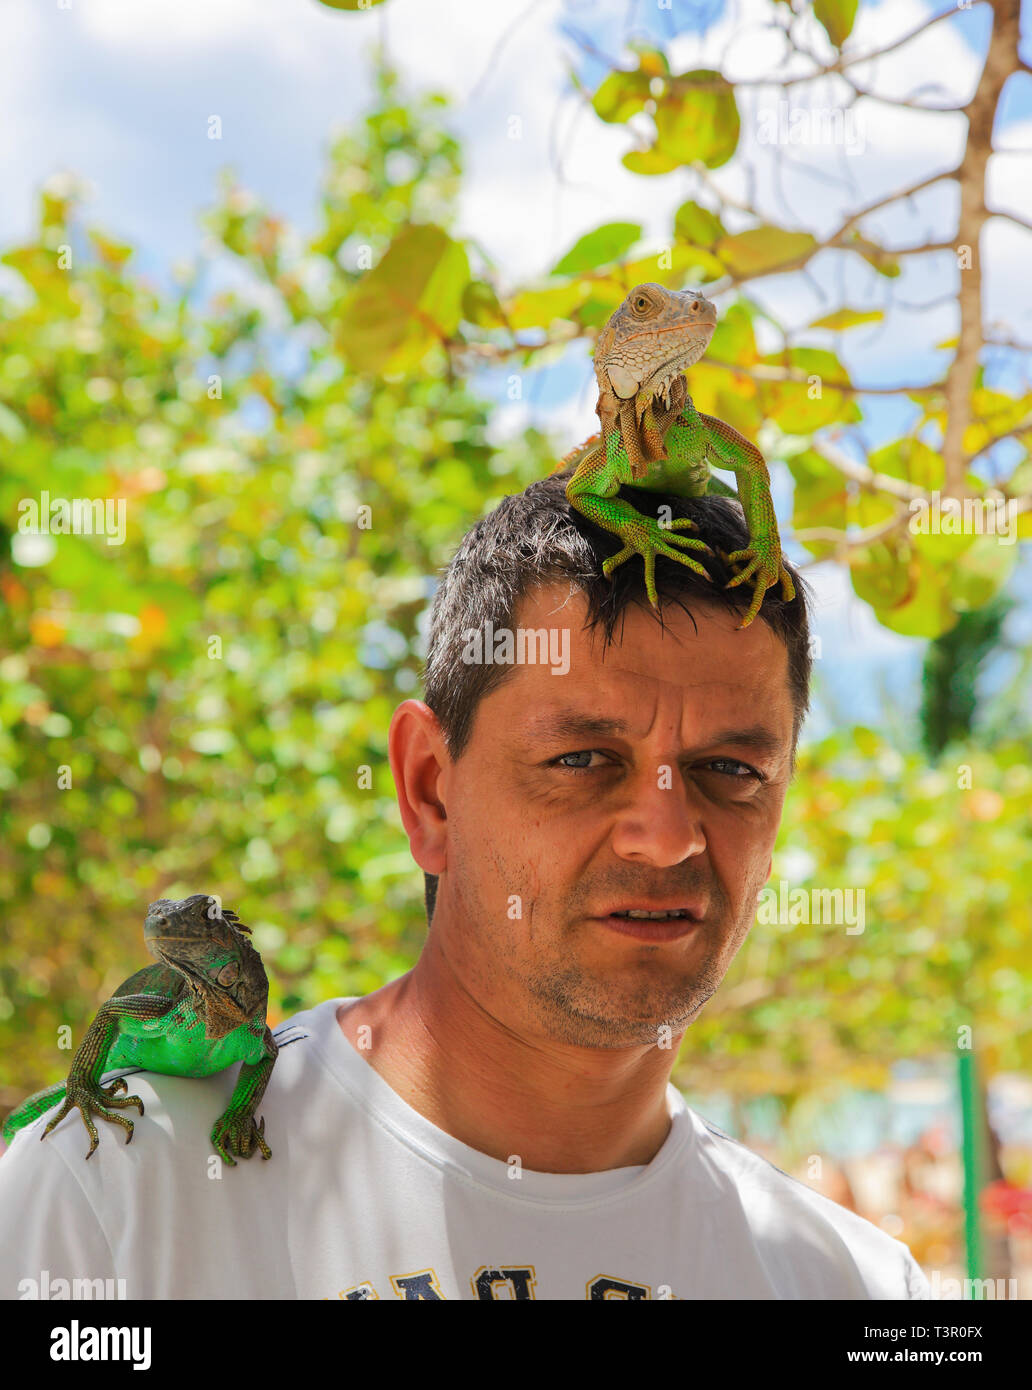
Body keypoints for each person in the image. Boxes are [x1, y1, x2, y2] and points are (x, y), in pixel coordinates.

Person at [0, 472, 930, 1299]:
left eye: (730, 770)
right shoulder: (110, 1191)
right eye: (582, 759)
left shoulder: (854, 1284)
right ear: (429, 791)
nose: (666, 836)